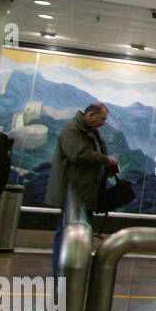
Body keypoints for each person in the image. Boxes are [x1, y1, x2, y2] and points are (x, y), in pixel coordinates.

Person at [47, 102, 118, 273]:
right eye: (101, 119)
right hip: (73, 190)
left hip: (85, 189)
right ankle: (60, 270)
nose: (103, 123)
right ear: (90, 115)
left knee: (77, 228)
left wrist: (105, 168)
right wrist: (105, 160)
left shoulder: (91, 132)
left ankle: (73, 267)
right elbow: (78, 154)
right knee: (66, 230)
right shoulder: (71, 131)